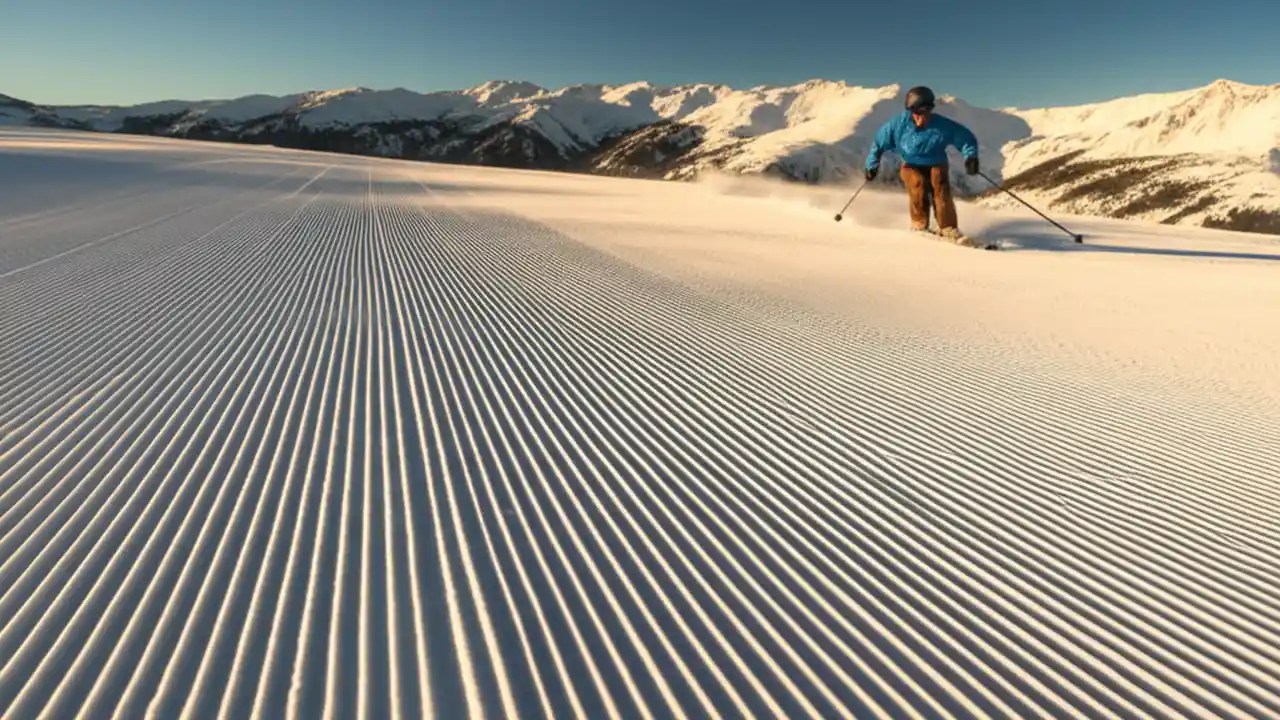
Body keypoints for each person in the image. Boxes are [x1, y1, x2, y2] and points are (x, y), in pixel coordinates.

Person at [865, 86, 981, 243]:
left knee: (939, 184)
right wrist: (871, 165)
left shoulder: (942, 125)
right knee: (917, 184)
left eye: (927, 112)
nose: (922, 117)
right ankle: (919, 224)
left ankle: (948, 227)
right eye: (918, 113)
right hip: (909, 163)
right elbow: (878, 144)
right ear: (911, 111)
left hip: (936, 162)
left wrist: (971, 157)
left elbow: (966, 139)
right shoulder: (897, 125)